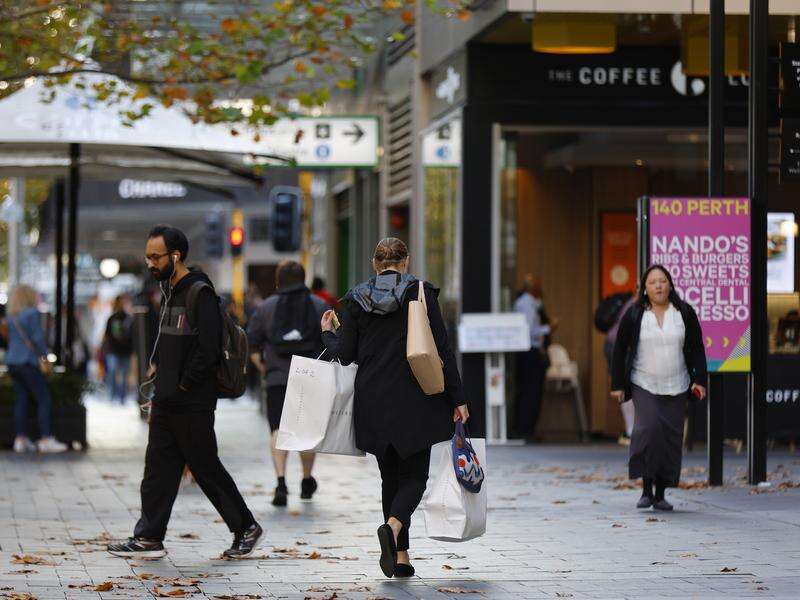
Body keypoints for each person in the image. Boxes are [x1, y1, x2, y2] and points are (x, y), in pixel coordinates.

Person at [107, 225, 262, 559]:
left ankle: (246, 526)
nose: (150, 263)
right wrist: (158, 376)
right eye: (147, 257)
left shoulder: (199, 292)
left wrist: (183, 384)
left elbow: (208, 349)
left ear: (175, 256)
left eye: (156, 257)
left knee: (205, 468)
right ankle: (148, 536)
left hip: (192, 402)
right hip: (167, 400)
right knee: (157, 470)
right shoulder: (169, 291)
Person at [320, 237, 469, 579]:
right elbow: (442, 350)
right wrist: (458, 398)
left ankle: (401, 556)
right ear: (406, 262)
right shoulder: (420, 292)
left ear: (375, 264)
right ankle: (393, 527)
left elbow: (346, 355)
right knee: (414, 476)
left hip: (372, 398)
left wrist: (328, 333)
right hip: (415, 397)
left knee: (390, 477)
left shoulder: (355, 299)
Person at [611, 265, 707, 511]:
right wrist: (618, 384)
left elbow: (697, 347)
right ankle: (646, 489)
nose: (658, 286)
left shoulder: (684, 312)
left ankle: (661, 493)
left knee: (670, 437)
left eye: (662, 281)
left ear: (670, 285)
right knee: (649, 428)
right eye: (653, 282)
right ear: (645, 288)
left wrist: (700, 380)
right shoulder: (635, 314)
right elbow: (619, 348)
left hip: (677, 383)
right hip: (644, 381)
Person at [246, 260, 328, 507]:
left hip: (277, 378)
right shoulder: (319, 305)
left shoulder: (266, 307)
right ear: (303, 279)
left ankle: (281, 482)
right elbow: (332, 340)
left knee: (277, 431)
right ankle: (306, 480)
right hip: (310, 377)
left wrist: (265, 368)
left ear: (278, 280)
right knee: (307, 432)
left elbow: (252, 343)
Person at [3, 285, 67, 453]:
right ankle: (46, 438)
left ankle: (20, 438)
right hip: (28, 361)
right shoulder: (32, 313)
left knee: (21, 399)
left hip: (12, 362)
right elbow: (37, 338)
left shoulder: (11, 316)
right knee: (44, 398)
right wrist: (45, 356)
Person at [513, 274, 556, 440]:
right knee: (531, 391)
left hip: (529, 351)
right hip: (529, 351)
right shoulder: (527, 304)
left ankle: (526, 428)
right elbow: (530, 330)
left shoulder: (531, 303)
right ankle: (525, 429)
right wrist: (549, 328)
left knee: (530, 390)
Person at [603, 294, 636, 445]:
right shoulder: (638, 304)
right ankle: (631, 431)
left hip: (616, 343)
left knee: (625, 386)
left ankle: (631, 430)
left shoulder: (634, 301)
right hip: (620, 345)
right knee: (625, 386)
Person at [103, 295, 134, 403]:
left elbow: (133, 335)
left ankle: (122, 397)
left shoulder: (129, 319)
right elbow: (107, 335)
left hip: (125, 351)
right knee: (112, 373)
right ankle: (112, 396)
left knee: (124, 374)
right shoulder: (112, 318)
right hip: (113, 351)